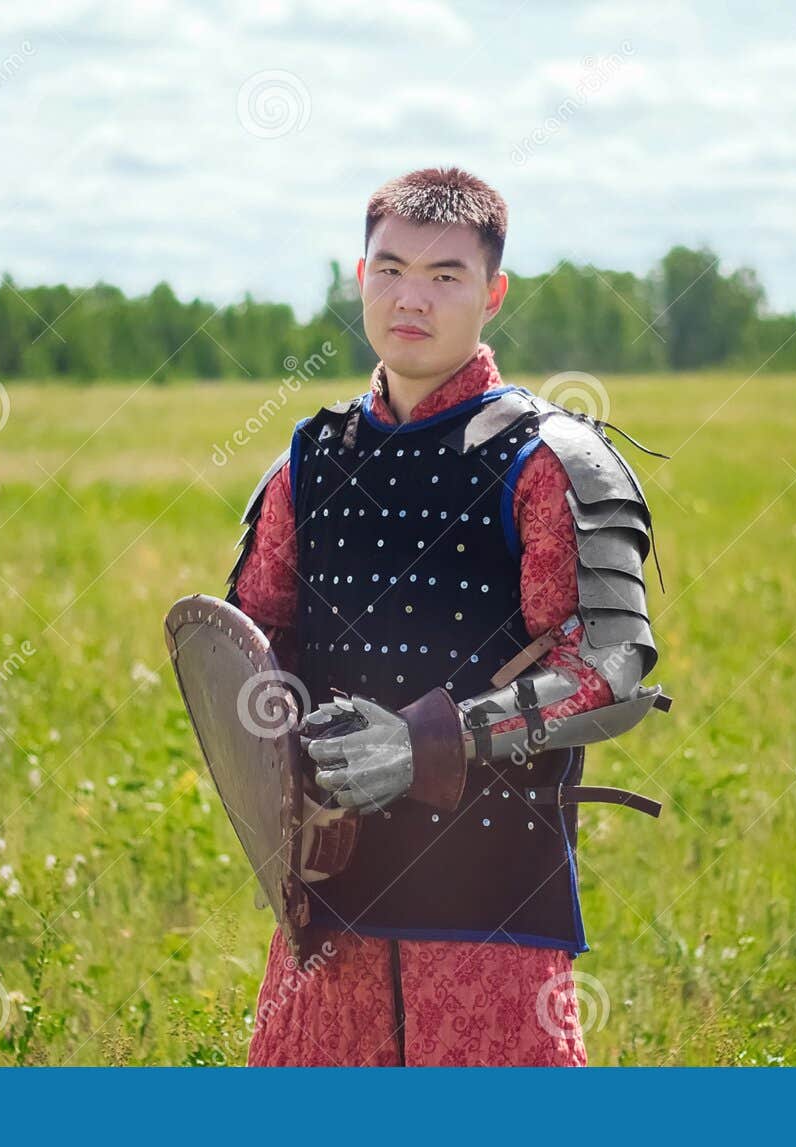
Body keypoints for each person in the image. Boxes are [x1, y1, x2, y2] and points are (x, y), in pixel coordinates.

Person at [226, 166, 667, 1066]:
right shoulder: (311, 462)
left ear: (492, 293)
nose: (410, 299)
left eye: (444, 276)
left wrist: (430, 741)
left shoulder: (549, 460)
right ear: (359, 279)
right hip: (327, 908)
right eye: (389, 270)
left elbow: (611, 670)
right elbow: (247, 648)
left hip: (491, 911)